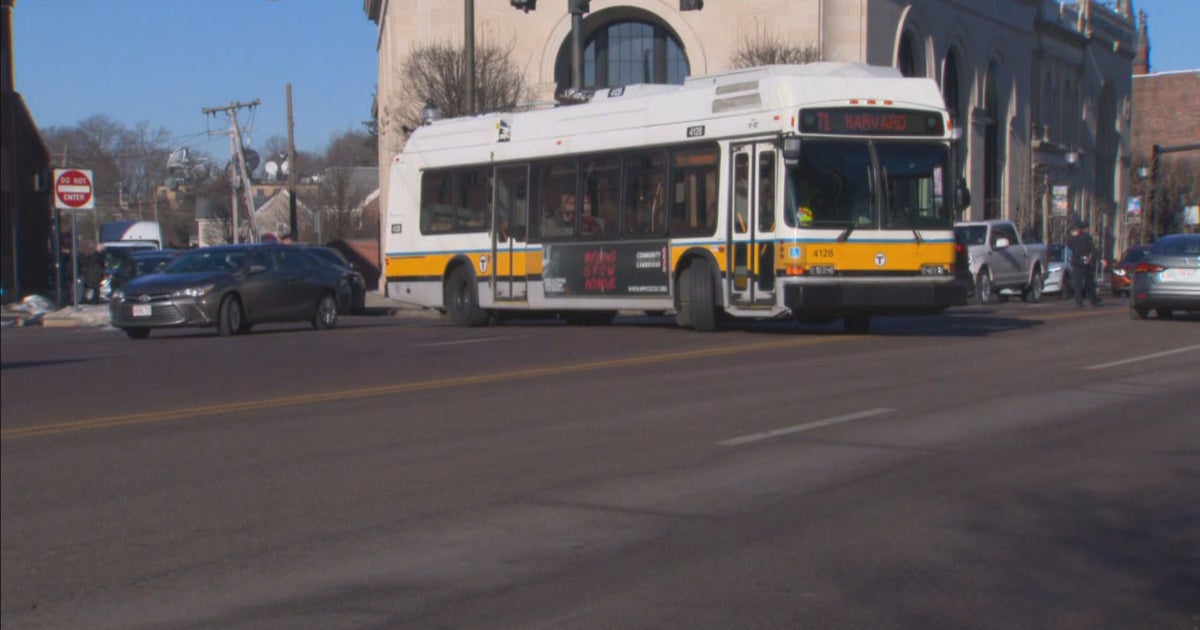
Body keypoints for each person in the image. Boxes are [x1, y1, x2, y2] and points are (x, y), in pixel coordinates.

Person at [1066, 221, 1101, 307]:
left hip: (1076, 261)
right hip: (1085, 261)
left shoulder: (1071, 238)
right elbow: (1093, 249)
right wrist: (1093, 258)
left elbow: (1069, 248)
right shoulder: (1086, 237)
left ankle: (1078, 301)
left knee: (1077, 282)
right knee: (1089, 282)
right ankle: (1093, 300)